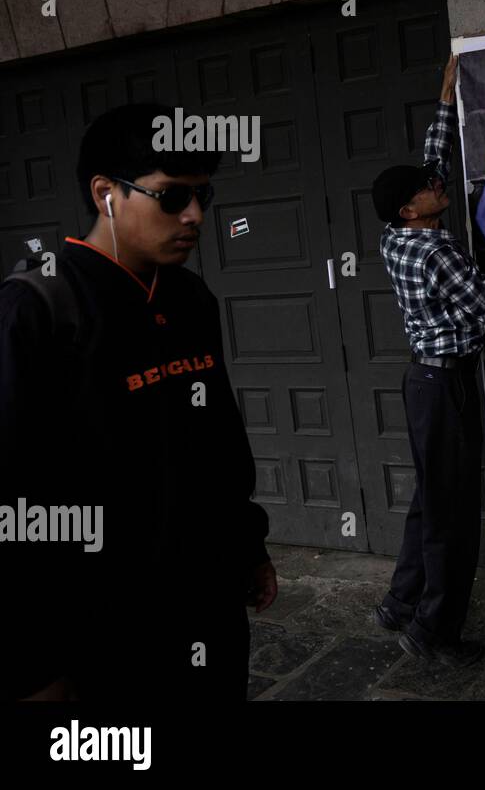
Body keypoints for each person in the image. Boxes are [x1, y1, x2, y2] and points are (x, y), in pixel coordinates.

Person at [0, 103, 277, 701]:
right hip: (105, 628)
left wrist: (248, 546)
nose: (195, 215)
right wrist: (33, 665)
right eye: (172, 196)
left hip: (205, 605)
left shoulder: (190, 297)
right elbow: (15, 494)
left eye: (204, 196)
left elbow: (219, 441)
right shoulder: (40, 307)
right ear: (106, 194)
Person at [371, 56, 485, 668]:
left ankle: (400, 601)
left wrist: (444, 104)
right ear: (412, 210)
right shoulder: (436, 251)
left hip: (422, 383)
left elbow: (434, 164)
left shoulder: (396, 236)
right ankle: (432, 630)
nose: (436, 185)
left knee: (430, 497)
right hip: (446, 390)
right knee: (451, 519)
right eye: (426, 189)